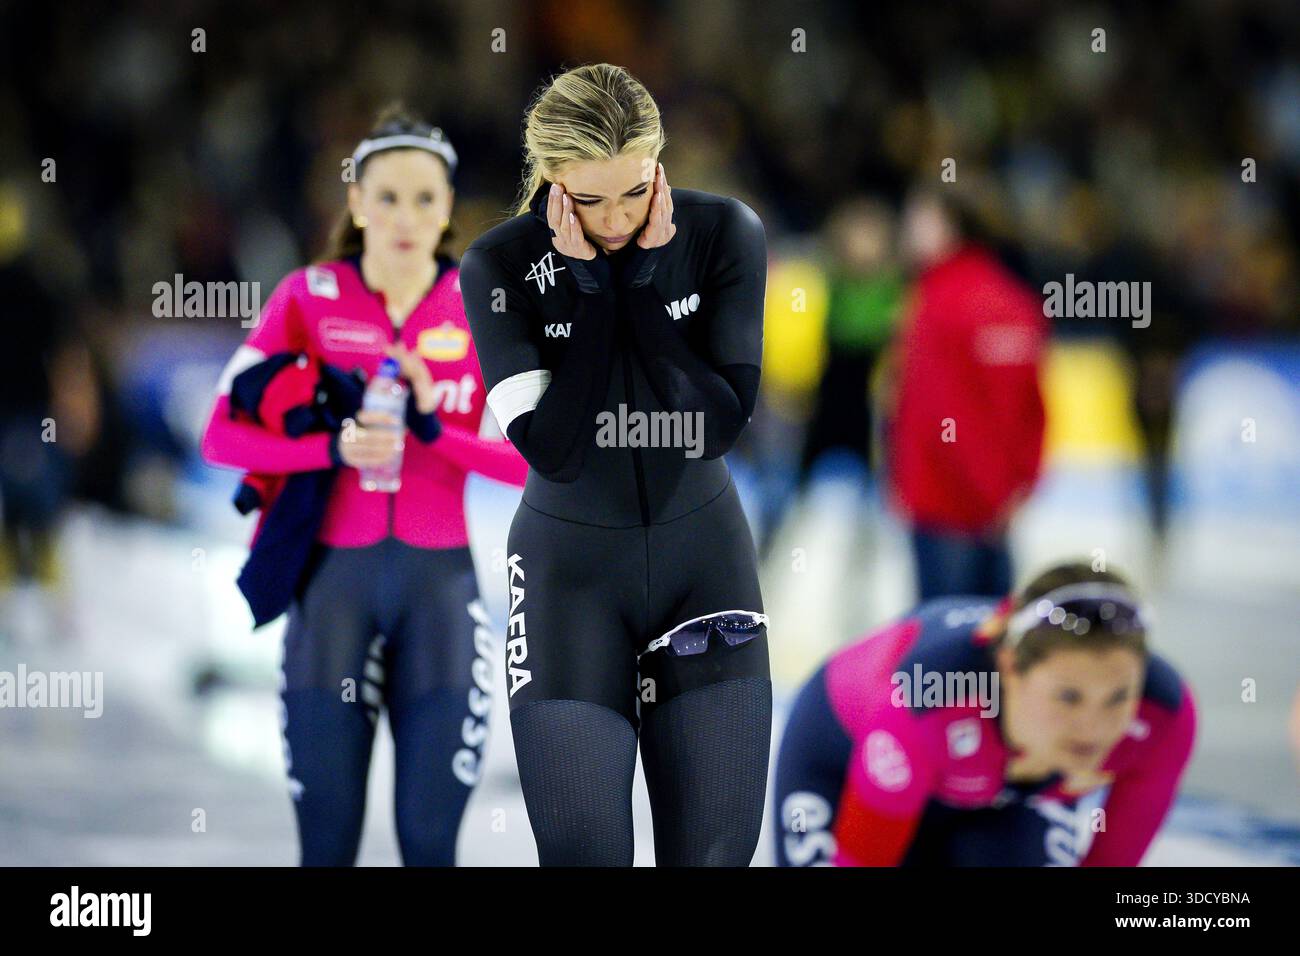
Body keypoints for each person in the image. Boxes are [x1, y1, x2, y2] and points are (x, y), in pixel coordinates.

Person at [459, 63, 772, 866]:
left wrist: (640, 287)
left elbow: (715, 426)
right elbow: (554, 450)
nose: (617, 220)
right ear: (550, 178)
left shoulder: (723, 233)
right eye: (590, 200)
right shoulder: (497, 267)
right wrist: (593, 294)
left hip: (705, 569)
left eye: (634, 192)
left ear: (658, 164)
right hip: (568, 581)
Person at [200, 105, 528, 866]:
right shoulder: (308, 297)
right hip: (331, 597)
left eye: (424, 199)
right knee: (326, 849)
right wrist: (331, 446)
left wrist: (434, 431)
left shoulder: (482, 307)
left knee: (429, 845)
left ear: (448, 207)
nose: (406, 218)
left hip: (439, 598)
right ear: (356, 203)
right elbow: (220, 436)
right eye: (387, 197)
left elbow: (532, 462)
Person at [773, 562, 1196, 866]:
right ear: (1009, 667)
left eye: (1119, 698)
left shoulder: (1164, 716)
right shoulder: (929, 699)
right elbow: (863, 857)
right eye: (1069, 697)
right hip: (843, 756)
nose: (1095, 727)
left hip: (994, 794)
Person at [888, 189, 1048, 601]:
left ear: (950, 226)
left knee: (944, 631)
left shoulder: (936, 302)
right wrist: (1012, 490)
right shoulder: (1015, 300)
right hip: (997, 509)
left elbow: (937, 411)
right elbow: (1033, 409)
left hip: (944, 503)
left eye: (919, 219)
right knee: (992, 628)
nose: (908, 231)